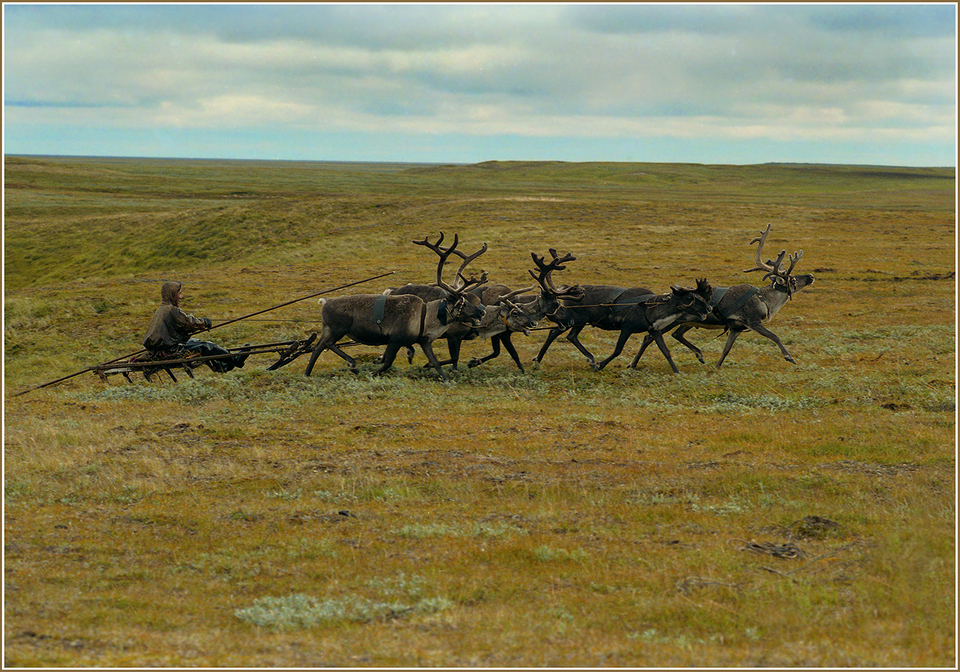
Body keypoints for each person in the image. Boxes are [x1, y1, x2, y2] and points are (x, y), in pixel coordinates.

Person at [142, 281, 248, 373]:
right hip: (170, 350)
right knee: (206, 346)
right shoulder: (172, 310)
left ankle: (225, 365)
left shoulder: (161, 309)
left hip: (162, 349)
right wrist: (204, 323)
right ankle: (234, 360)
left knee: (195, 341)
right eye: (179, 294)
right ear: (172, 294)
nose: (181, 297)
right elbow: (189, 323)